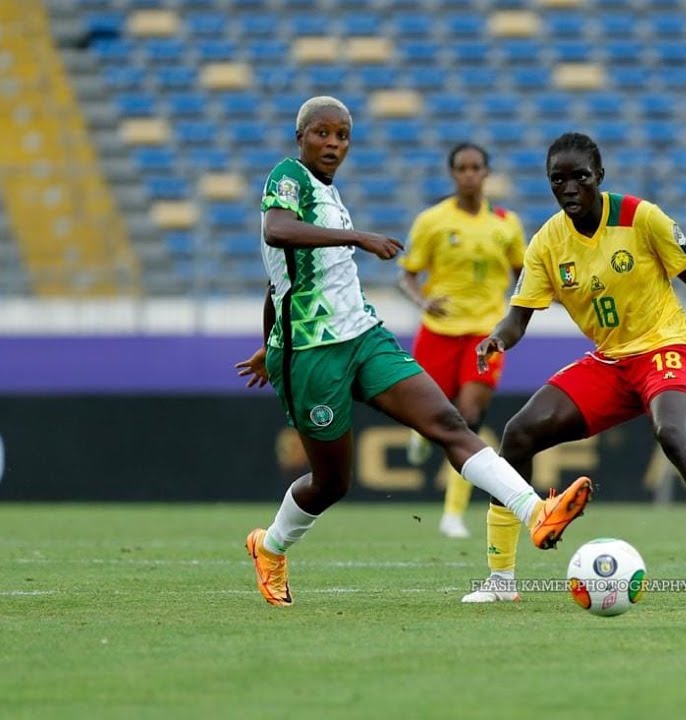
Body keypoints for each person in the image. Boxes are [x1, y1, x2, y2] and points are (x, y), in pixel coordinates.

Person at [232, 97, 593, 607]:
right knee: (332, 482)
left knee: (450, 423)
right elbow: (277, 233)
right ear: (301, 137)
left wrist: (264, 336)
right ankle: (269, 546)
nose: (333, 144)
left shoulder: (329, 195)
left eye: (342, 136)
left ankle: (536, 513)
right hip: (311, 353)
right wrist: (354, 242)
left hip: (363, 337)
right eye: (322, 134)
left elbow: (278, 280)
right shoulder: (286, 177)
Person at [462, 132, 686, 603]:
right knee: (519, 432)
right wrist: (497, 339)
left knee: (672, 432)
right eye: (557, 180)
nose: (569, 189)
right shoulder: (547, 242)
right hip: (611, 361)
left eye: (579, 178)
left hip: (668, 348)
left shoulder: (640, 217)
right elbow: (518, 316)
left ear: (599, 178)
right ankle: (501, 581)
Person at [398, 142, 528, 540]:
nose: (469, 174)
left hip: (485, 336)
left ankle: (452, 513)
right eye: (462, 168)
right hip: (438, 333)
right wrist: (423, 300)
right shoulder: (432, 221)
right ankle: (420, 433)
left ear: (486, 173)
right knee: (433, 417)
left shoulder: (507, 224)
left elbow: (524, 273)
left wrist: (514, 315)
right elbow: (406, 275)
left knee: (467, 418)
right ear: (453, 174)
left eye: (476, 168)